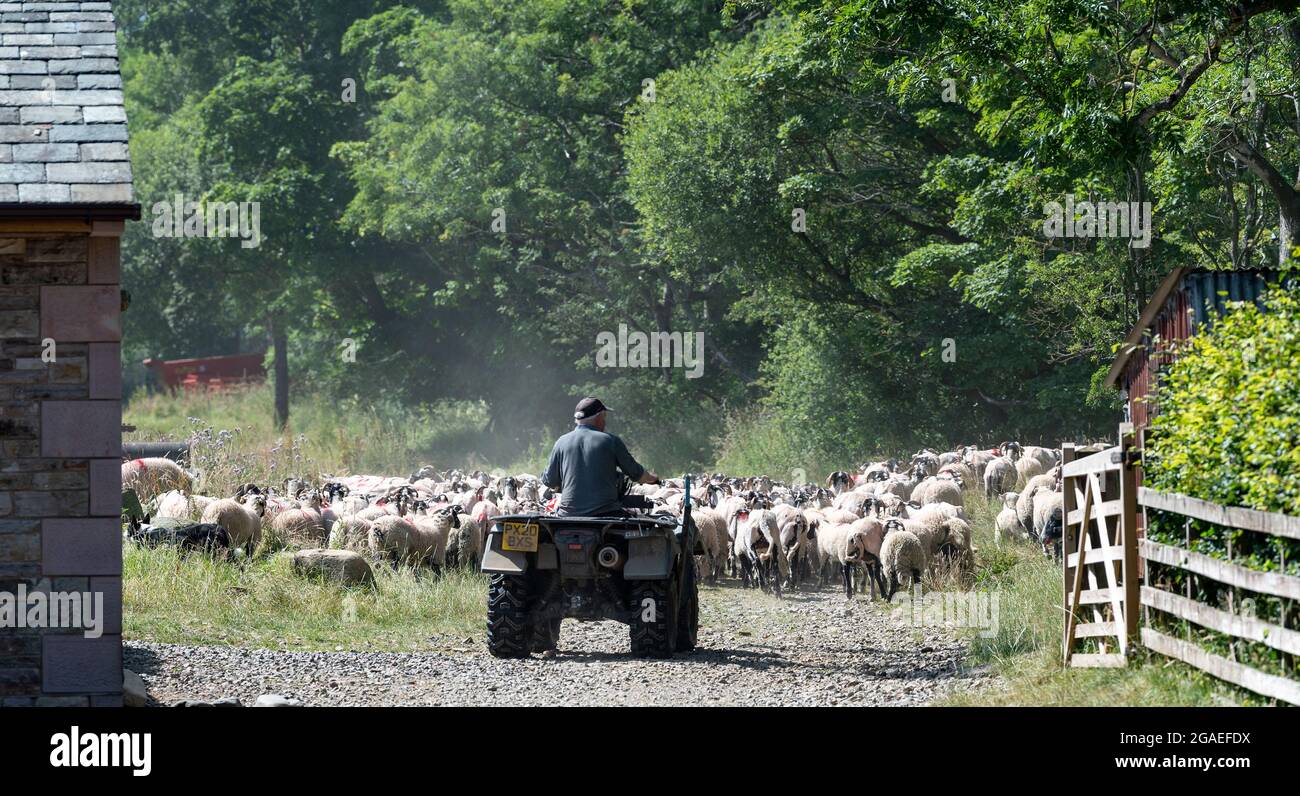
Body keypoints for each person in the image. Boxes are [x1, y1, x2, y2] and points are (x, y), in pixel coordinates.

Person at [542, 397, 660, 517]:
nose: (605, 421)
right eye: (604, 417)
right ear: (598, 417)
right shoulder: (610, 441)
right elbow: (637, 474)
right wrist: (654, 479)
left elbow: (549, 480)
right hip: (607, 513)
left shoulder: (561, 442)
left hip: (567, 514)